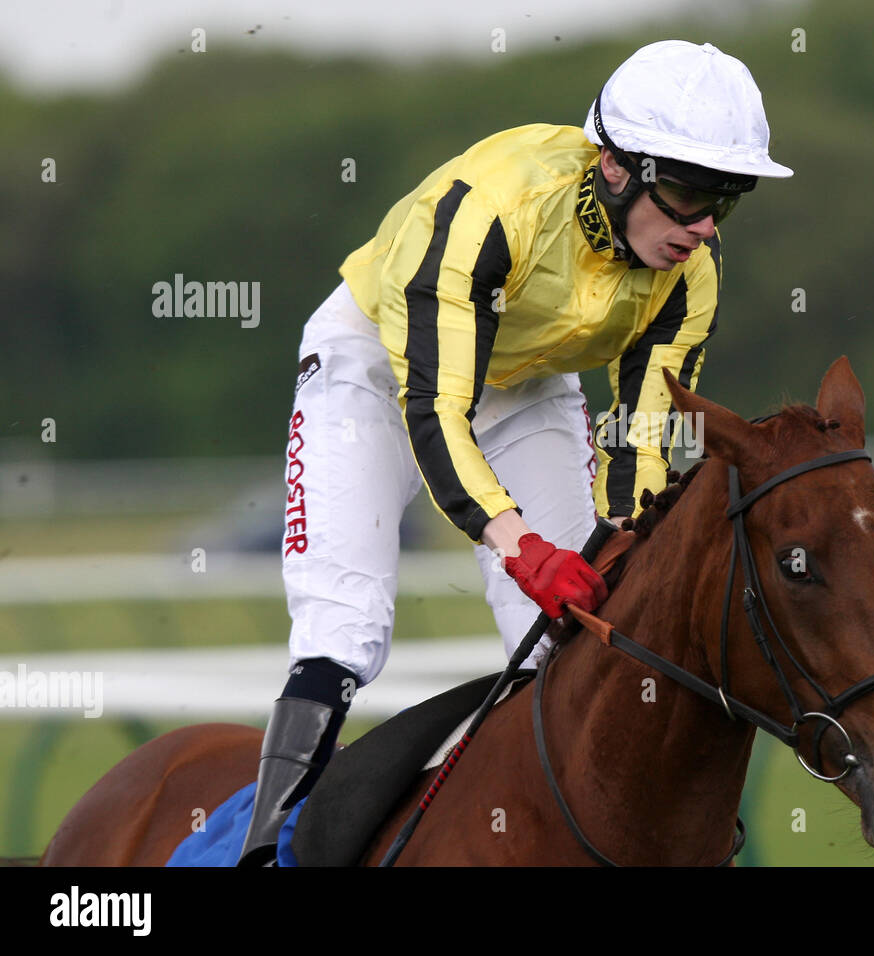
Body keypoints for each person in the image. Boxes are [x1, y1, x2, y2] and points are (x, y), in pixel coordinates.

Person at [237, 39, 792, 865]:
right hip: (375, 363)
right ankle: (262, 854)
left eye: (724, 201)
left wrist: (624, 536)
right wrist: (519, 545)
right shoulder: (488, 210)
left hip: (523, 381)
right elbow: (435, 410)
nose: (703, 226)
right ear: (615, 167)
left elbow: (642, 436)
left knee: (570, 628)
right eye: (685, 194)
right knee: (345, 627)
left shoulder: (692, 272)